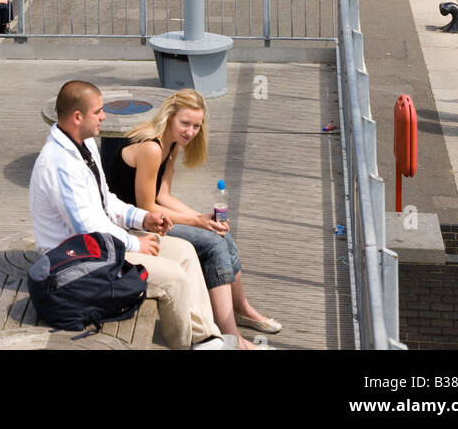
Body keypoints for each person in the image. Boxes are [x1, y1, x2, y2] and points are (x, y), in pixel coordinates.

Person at [29, 80, 228, 351]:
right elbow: (87, 229)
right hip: (73, 262)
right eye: (98, 111)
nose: (104, 116)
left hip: (101, 247)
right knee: (173, 278)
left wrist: (141, 219)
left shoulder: (83, 143)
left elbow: (106, 201)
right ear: (78, 117)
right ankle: (187, 345)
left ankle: (207, 338)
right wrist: (136, 243)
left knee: (184, 252)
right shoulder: (59, 163)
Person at [106, 89, 281, 349]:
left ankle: (241, 307)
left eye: (196, 126)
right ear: (170, 117)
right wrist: (197, 222)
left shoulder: (173, 144)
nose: (190, 131)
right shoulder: (152, 147)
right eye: (185, 123)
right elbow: (146, 206)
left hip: (150, 218)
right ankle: (233, 338)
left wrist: (202, 218)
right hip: (131, 226)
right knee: (212, 245)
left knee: (222, 234)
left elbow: (163, 195)